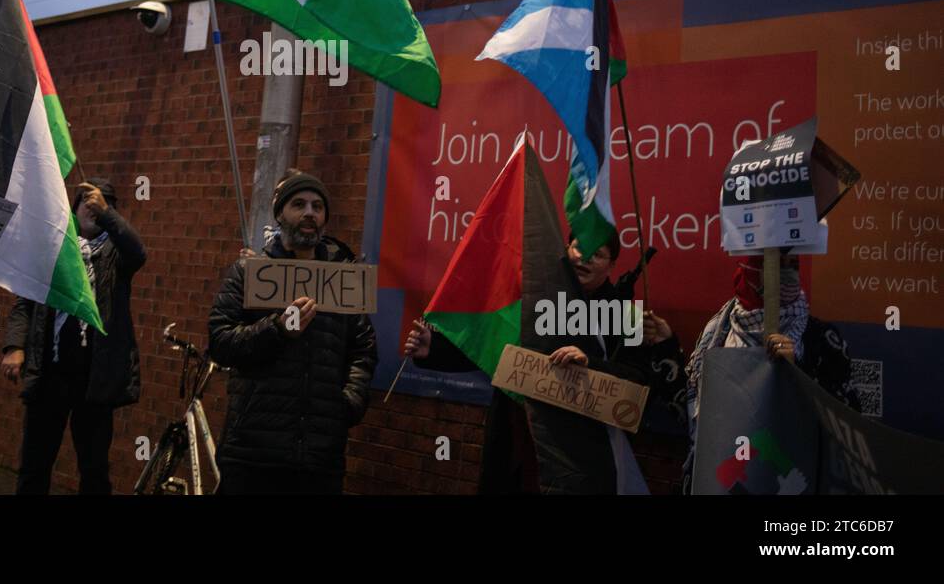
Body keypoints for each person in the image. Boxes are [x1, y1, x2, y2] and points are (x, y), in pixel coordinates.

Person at [406, 234, 686, 494]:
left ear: (611, 265)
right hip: (516, 443)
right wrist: (435, 349)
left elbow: (638, 389)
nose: (584, 257)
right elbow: (495, 350)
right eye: (578, 247)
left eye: (597, 254)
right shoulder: (535, 299)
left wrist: (590, 367)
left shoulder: (626, 317)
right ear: (566, 250)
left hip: (580, 458)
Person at [208, 169, 377, 494]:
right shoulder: (248, 273)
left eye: (317, 206)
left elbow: (364, 350)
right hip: (253, 453)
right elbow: (220, 342)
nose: (309, 213)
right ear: (280, 214)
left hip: (319, 456)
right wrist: (277, 329)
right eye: (298, 204)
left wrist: (347, 405)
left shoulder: (345, 281)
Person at [1, 178, 146, 494]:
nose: (92, 208)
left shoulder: (115, 256)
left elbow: (138, 252)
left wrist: (107, 214)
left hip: (94, 378)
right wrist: (14, 346)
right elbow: (25, 302)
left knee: (93, 470)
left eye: (101, 202)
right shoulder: (54, 251)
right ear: (74, 207)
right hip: (50, 373)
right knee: (34, 464)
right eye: (86, 202)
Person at [681, 255, 860, 491]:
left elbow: (847, 421)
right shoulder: (717, 335)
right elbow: (697, 413)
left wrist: (798, 372)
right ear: (750, 270)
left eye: (793, 266)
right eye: (775, 266)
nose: (787, 276)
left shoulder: (820, 339)